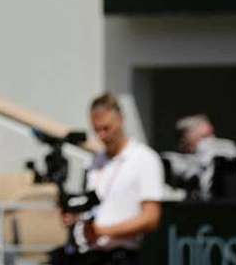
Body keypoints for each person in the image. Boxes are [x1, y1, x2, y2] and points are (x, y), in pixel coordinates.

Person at [61, 93, 163, 263]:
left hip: (122, 256)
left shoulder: (144, 158)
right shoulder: (94, 162)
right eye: (97, 130)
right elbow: (91, 208)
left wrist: (104, 231)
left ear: (121, 120)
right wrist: (75, 218)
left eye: (106, 128)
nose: (102, 136)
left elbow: (151, 218)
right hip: (89, 255)